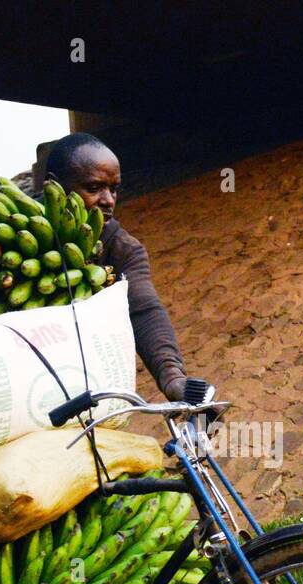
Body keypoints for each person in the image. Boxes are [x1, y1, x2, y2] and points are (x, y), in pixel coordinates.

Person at [42, 133, 189, 403]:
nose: (108, 200)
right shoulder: (16, 236)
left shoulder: (122, 249)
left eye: (114, 189)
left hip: (85, 388)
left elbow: (144, 310)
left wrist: (172, 377)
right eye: (94, 187)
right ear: (54, 185)